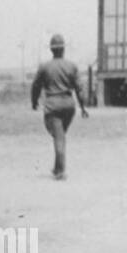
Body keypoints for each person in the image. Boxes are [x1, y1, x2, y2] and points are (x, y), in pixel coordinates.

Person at [30, 34, 88, 180]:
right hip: (69, 106)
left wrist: (34, 102)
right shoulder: (71, 66)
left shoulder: (44, 67)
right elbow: (80, 89)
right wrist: (83, 107)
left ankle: (60, 171)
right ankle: (57, 167)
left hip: (52, 106)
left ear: (51, 49)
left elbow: (35, 86)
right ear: (63, 49)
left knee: (58, 137)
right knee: (60, 136)